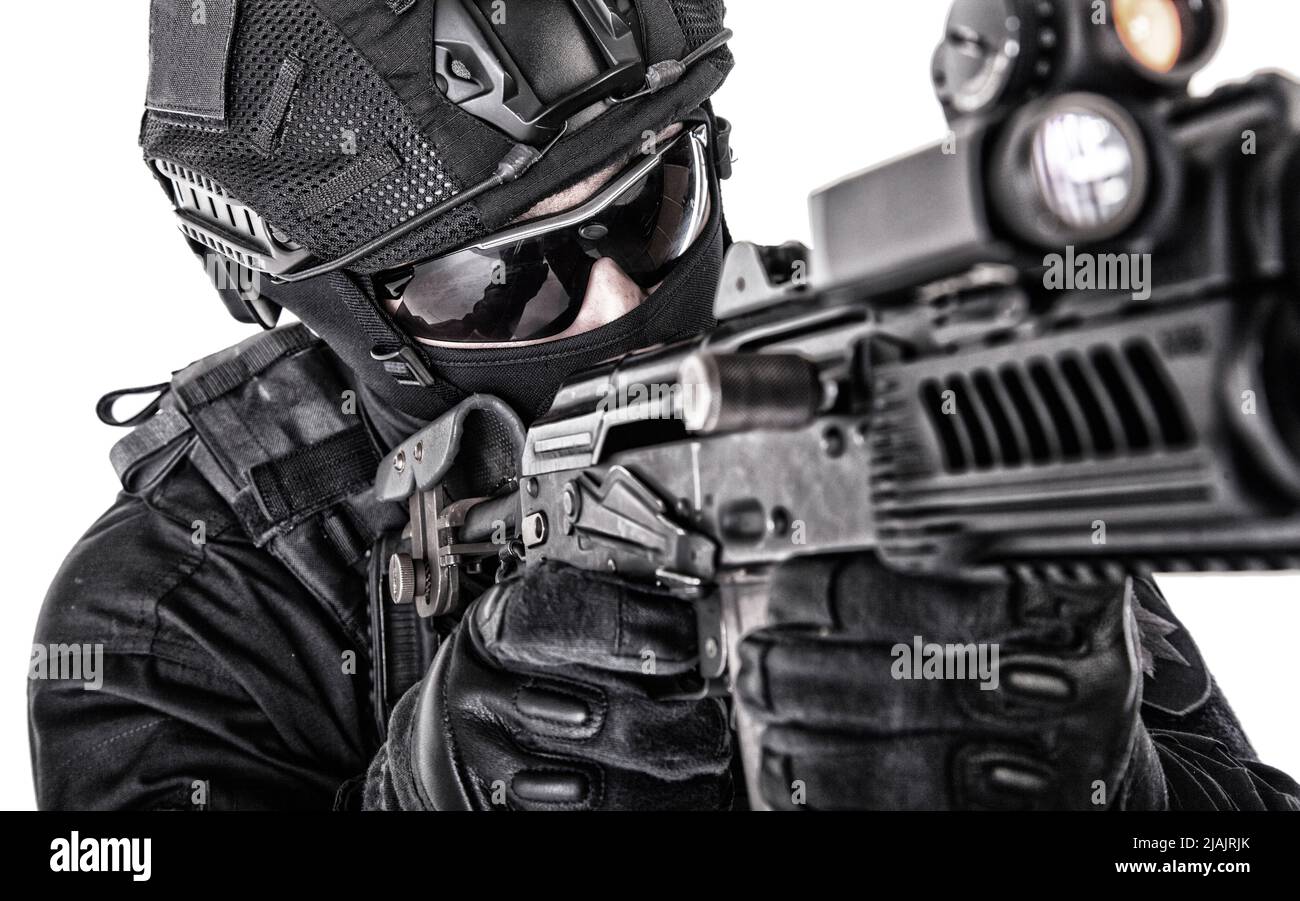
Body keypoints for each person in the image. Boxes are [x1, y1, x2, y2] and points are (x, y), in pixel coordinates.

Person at [29, 0, 1300, 812]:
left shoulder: (889, 408)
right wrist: (443, 783)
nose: (611, 302)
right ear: (341, 312)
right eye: (497, 280)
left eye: (652, 202)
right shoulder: (178, 595)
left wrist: (1105, 783)